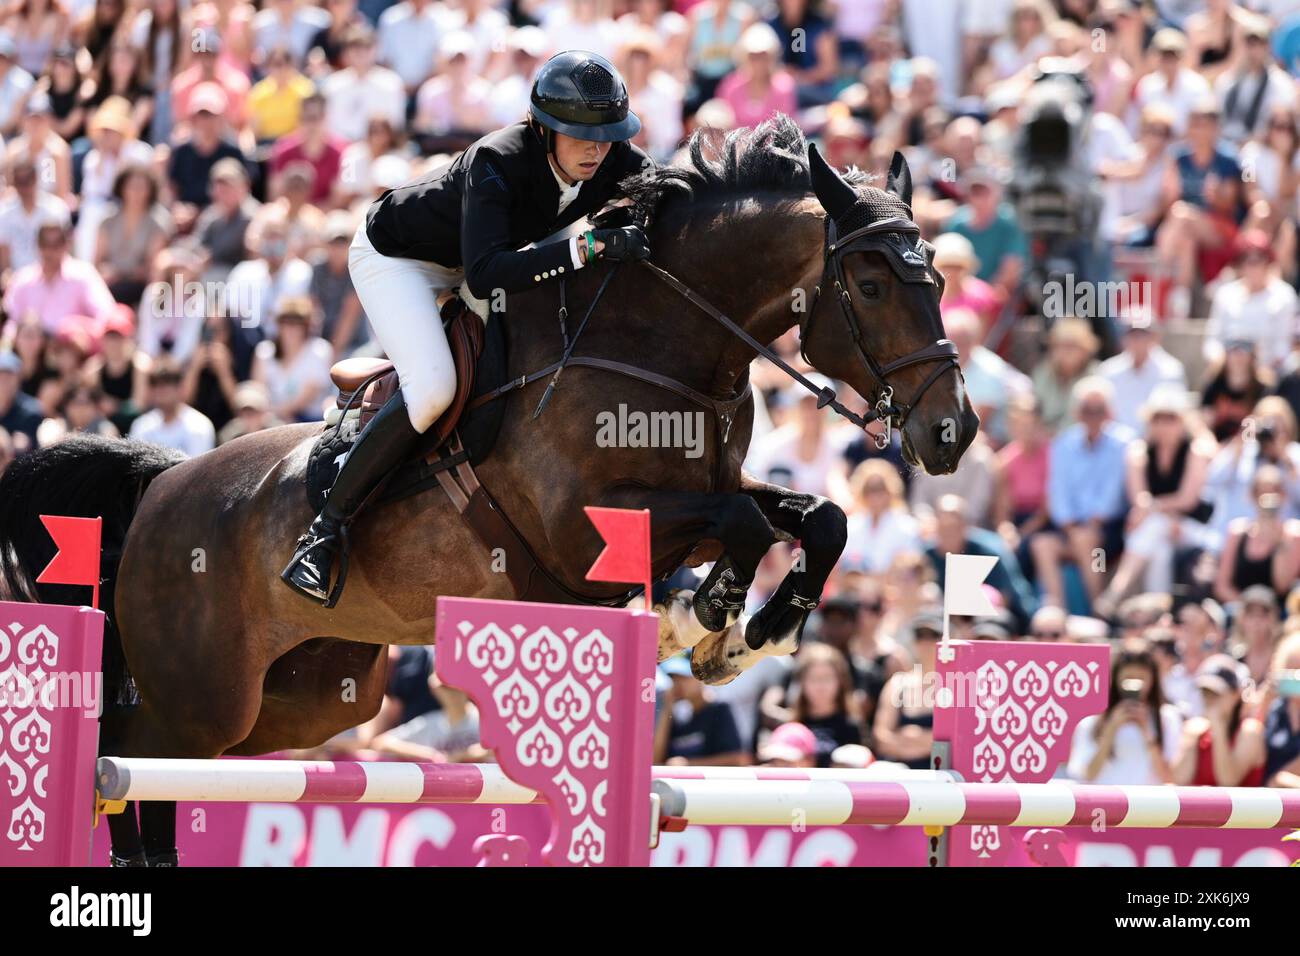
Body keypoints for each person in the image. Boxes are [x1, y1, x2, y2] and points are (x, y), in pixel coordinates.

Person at [281, 50, 652, 606]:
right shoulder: (497, 160)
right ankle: (324, 532)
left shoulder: (612, 158)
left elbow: (672, 191)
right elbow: (485, 273)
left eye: (606, 136)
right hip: (400, 261)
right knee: (435, 388)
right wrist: (588, 247)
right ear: (543, 129)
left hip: (478, 263)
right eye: (582, 136)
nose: (597, 150)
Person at [1068, 640, 1182, 785]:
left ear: (1152, 679)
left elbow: (1171, 778)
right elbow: (1087, 774)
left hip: (1147, 799)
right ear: (1116, 679)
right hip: (1107, 798)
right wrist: (1111, 729)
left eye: (1141, 678)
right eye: (1128, 678)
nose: (1135, 685)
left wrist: (1147, 732)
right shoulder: (1092, 721)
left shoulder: (1167, 718)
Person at [1170, 655, 1266, 786]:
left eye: (1217, 693)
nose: (1210, 699)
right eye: (1206, 692)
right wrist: (1190, 741)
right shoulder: (1195, 730)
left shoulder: (1249, 731)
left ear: (1235, 695)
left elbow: (1228, 781)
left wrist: (1219, 728)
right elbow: (1179, 779)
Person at [127, 359, 217, 457]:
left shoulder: (199, 425)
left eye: (168, 383)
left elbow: (200, 465)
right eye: (155, 384)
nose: (161, 390)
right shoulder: (141, 426)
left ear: (180, 387)